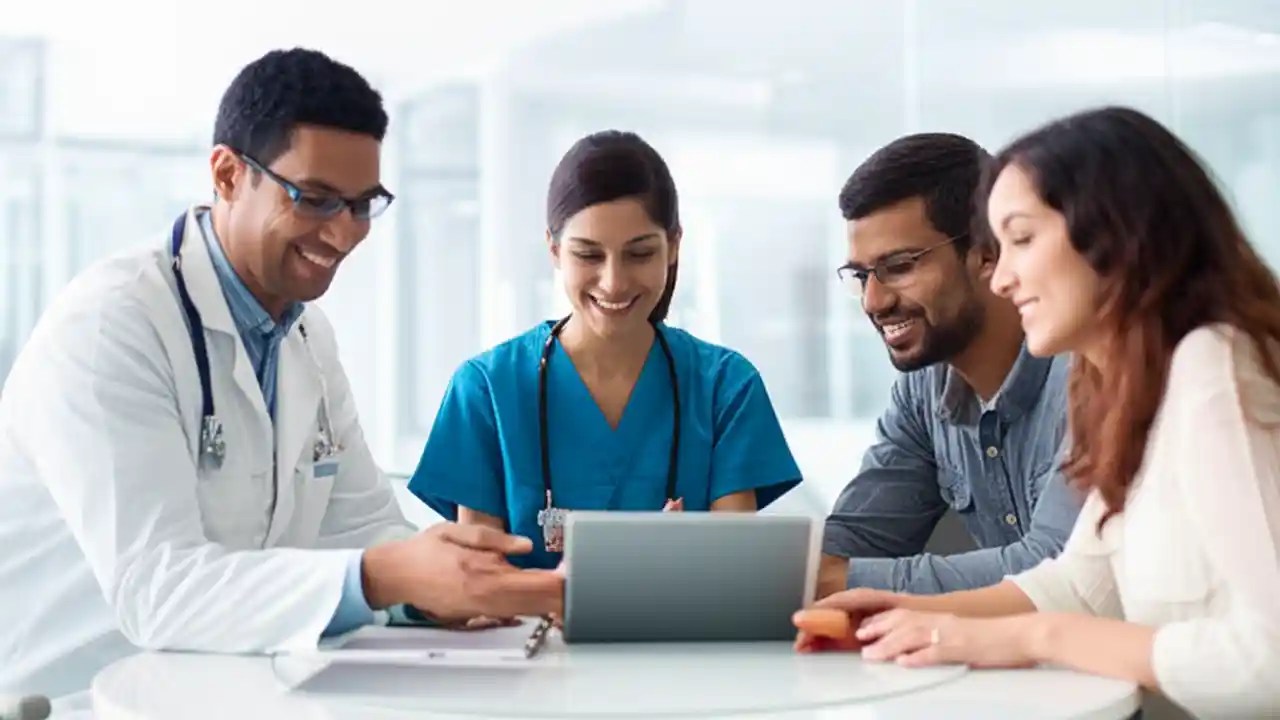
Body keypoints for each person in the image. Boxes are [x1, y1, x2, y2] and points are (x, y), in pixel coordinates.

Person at [0, 48, 560, 702]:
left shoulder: (304, 336)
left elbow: (361, 529)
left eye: (362, 204)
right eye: (317, 199)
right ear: (228, 173)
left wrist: (440, 592)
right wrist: (389, 577)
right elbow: (157, 588)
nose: (346, 232)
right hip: (66, 701)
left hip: (220, 693)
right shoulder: (110, 327)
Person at [796, 107, 1280, 718]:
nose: (1002, 279)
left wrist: (1034, 637)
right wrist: (892, 613)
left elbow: (1271, 660)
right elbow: (1077, 584)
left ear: (1112, 236)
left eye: (1021, 240)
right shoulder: (1122, 388)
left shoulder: (1215, 370)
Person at [409, 130, 803, 572]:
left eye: (639, 254)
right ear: (554, 249)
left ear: (673, 246)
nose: (613, 282)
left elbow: (736, 575)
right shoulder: (486, 389)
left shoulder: (725, 387)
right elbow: (479, 584)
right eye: (588, 255)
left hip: (681, 641)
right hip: (526, 638)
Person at [818, 133, 1081, 597]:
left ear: (986, 254)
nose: (873, 301)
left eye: (899, 266)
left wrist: (835, 580)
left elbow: (1057, 570)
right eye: (861, 276)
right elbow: (860, 540)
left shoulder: (1087, 373)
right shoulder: (925, 390)